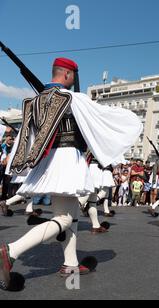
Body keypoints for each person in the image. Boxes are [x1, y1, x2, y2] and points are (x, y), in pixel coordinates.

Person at [0, 57, 142, 291]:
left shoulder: (34, 102)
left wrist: (21, 167)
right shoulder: (74, 99)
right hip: (67, 160)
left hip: (46, 162)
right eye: (73, 76)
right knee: (64, 218)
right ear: (67, 75)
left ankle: (70, 263)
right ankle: (10, 251)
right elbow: (103, 119)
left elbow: (27, 140)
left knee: (71, 214)